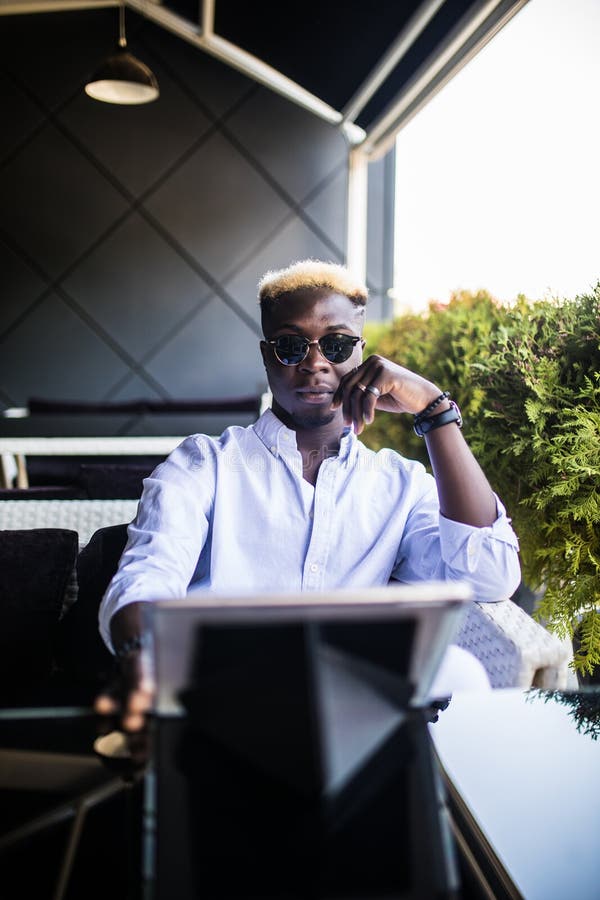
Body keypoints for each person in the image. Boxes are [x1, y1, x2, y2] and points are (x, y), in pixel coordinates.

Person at [96, 259, 520, 730]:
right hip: (225, 708)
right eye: (291, 345)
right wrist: (140, 653)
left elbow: (491, 576)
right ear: (266, 355)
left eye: (337, 345)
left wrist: (435, 412)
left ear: (361, 355)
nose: (316, 362)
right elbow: (148, 574)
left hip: (353, 715)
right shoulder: (205, 465)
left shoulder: (400, 485)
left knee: (461, 672)